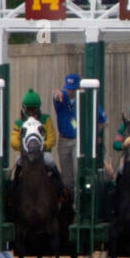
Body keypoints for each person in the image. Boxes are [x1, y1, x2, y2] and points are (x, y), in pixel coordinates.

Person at [50, 73, 103, 202]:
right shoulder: (63, 97)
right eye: (69, 88)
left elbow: (102, 120)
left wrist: (94, 134)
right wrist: (57, 95)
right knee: (67, 178)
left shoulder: (85, 98)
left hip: (78, 141)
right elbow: (57, 98)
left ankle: (78, 205)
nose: (71, 91)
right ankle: (69, 205)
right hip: (64, 140)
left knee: (77, 173)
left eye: (73, 88)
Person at [10, 89, 69, 204]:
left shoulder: (46, 120)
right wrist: (24, 148)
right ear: (24, 108)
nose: (31, 112)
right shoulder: (19, 123)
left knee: (51, 161)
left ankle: (62, 191)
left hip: (43, 154)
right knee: (17, 165)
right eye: (29, 109)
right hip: (26, 154)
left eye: (33, 109)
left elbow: (52, 138)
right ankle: (12, 193)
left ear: (38, 108)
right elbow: (14, 141)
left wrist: (42, 147)